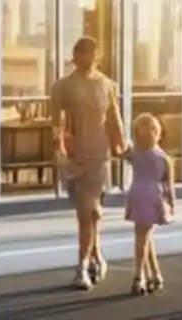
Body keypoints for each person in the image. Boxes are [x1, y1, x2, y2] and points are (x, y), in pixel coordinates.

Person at [51, 36, 126, 290]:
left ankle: (94, 259)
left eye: (90, 54)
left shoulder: (107, 85)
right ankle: (85, 264)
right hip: (75, 156)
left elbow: (114, 117)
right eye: (81, 54)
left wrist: (122, 146)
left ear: (97, 57)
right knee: (86, 212)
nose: (85, 59)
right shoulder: (62, 87)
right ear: (75, 56)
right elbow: (56, 122)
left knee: (92, 214)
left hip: (99, 155)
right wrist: (59, 146)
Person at [124, 113, 175, 295]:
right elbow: (169, 185)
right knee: (146, 236)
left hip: (138, 194)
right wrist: (171, 204)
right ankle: (146, 275)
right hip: (153, 196)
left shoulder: (134, 153)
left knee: (143, 237)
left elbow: (119, 150)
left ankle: (146, 274)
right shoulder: (163, 158)